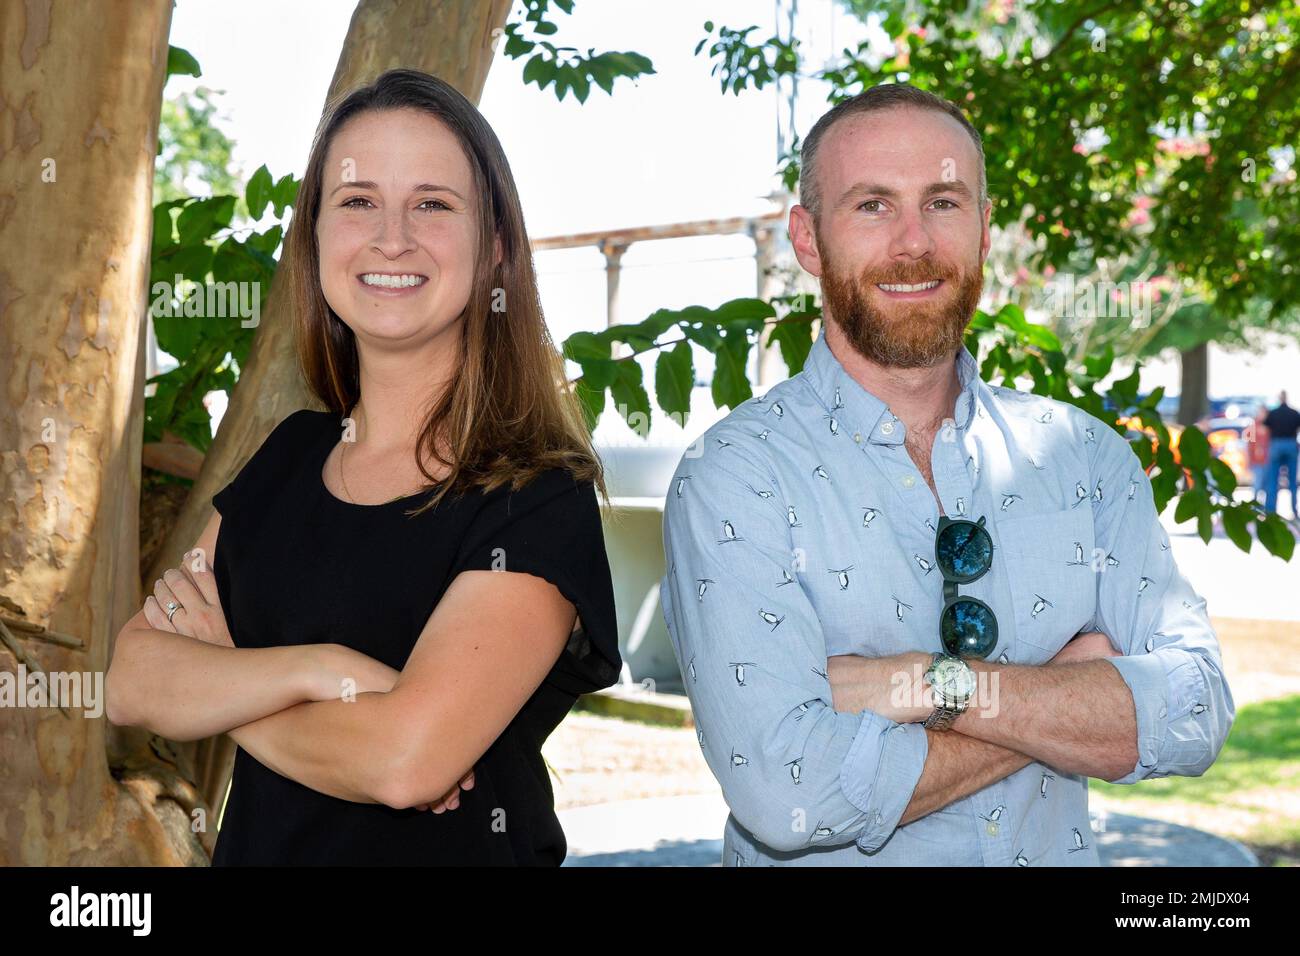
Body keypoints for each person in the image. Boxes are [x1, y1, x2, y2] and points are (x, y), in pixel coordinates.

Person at [660, 84, 1234, 866]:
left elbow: (1195, 707)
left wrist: (920, 684)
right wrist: (1065, 698)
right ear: (807, 239)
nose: (913, 243)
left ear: (985, 227)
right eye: (871, 206)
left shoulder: (1084, 456)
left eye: (942, 201)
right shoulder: (734, 476)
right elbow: (786, 795)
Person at [106, 69, 622, 865]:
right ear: (315, 237)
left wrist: (225, 683)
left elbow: (404, 762)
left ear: (494, 250)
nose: (392, 237)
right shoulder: (288, 455)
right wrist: (331, 671)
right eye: (356, 200)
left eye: (433, 203)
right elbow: (135, 677)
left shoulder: (535, 496)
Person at [1261, 390, 1300, 517]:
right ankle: (1294, 509)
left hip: (1276, 445)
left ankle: (1270, 511)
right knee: (1292, 481)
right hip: (1290, 444)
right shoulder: (1294, 413)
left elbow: (1264, 426)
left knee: (1272, 480)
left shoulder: (1273, 413)